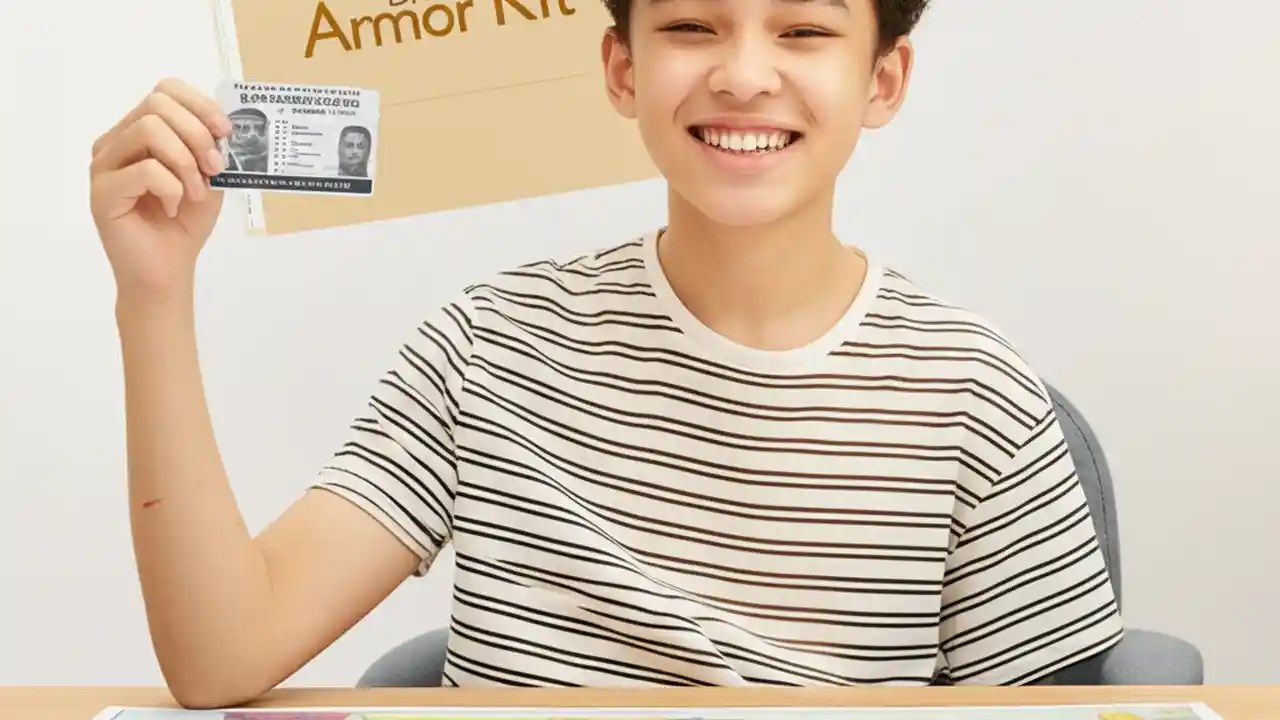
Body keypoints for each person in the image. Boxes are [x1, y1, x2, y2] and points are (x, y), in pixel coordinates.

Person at [87, 0, 1124, 710]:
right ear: (621, 67)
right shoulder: (486, 348)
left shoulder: (976, 394)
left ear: (881, 78)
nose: (743, 73)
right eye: (688, 25)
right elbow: (223, 656)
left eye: (803, 29)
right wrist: (155, 290)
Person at [223, 107, 270, 173]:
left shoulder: (265, 157)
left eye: (258, 128)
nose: (252, 133)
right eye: (237, 127)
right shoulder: (222, 154)